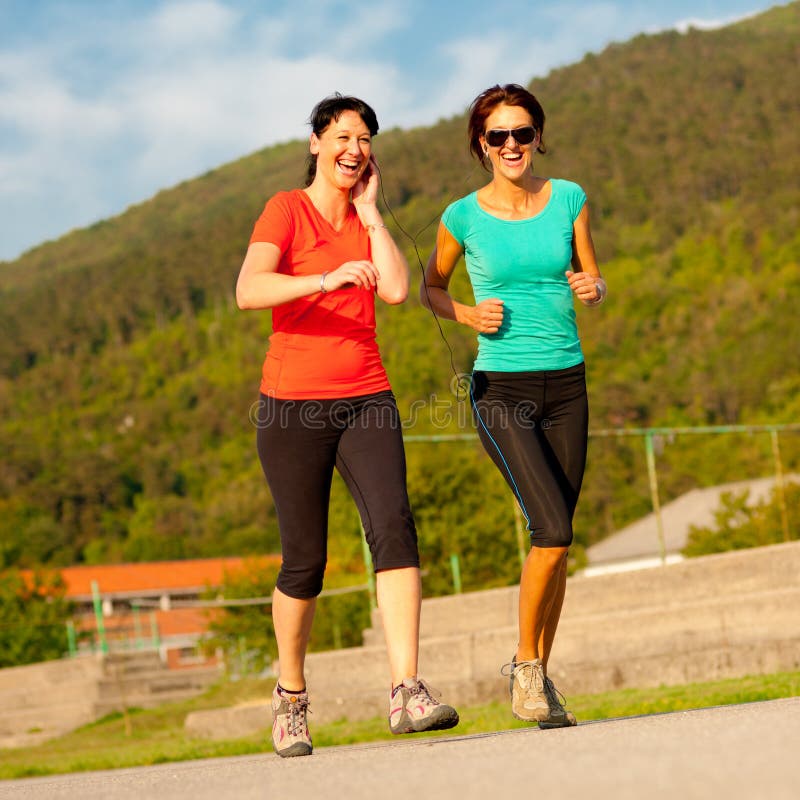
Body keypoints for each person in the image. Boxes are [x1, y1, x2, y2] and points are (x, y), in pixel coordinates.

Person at [236, 94, 459, 758]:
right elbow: (249, 289)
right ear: (315, 143)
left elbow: (394, 290)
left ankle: (406, 689)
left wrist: (370, 215)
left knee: (393, 525)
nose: (352, 148)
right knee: (306, 560)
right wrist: (324, 277)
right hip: (291, 405)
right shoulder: (286, 208)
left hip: (367, 396)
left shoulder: (366, 219)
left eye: (363, 138)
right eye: (340, 135)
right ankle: (292, 697)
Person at [421, 83, 606, 729]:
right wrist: (467, 312)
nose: (510, 145)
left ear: (537, 137)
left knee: (557, 543)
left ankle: (536, 674)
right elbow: (431, 288)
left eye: (521, 133)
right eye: (497, 135)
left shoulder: (571, 199)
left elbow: (590, 278)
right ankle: (527, 670)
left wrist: (593, 286)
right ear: (480, 143)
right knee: (551, 530)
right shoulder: (462, 217)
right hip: (501, 388)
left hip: (569, 385)